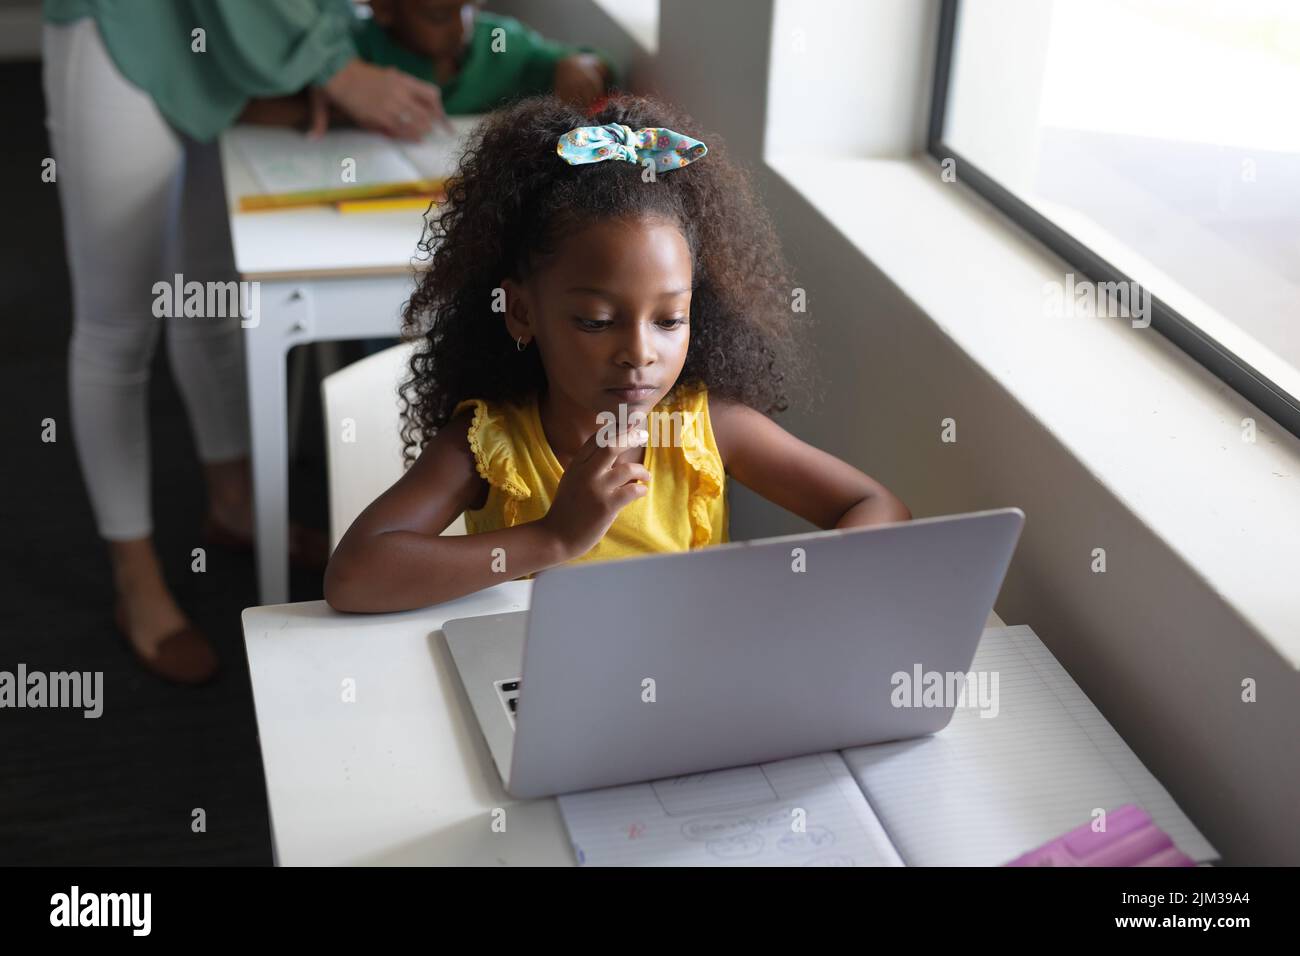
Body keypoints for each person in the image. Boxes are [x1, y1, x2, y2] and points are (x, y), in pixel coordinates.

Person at [324, 94, 912, 614]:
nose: (638, 353)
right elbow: (354, 577)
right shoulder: (488, 444)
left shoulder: (709, 428)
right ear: (523, 312)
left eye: (669, 320)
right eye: (596, 321)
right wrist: (554, 537)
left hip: (685, 683)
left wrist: (814, 588)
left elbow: (875, 505)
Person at [42, 0, 451, 683]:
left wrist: (324, 58)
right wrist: (335, 68)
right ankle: (134, 577)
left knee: (212, 298)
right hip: (127, 25)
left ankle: (233, 506)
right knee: (118, 327)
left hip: (229, 33)